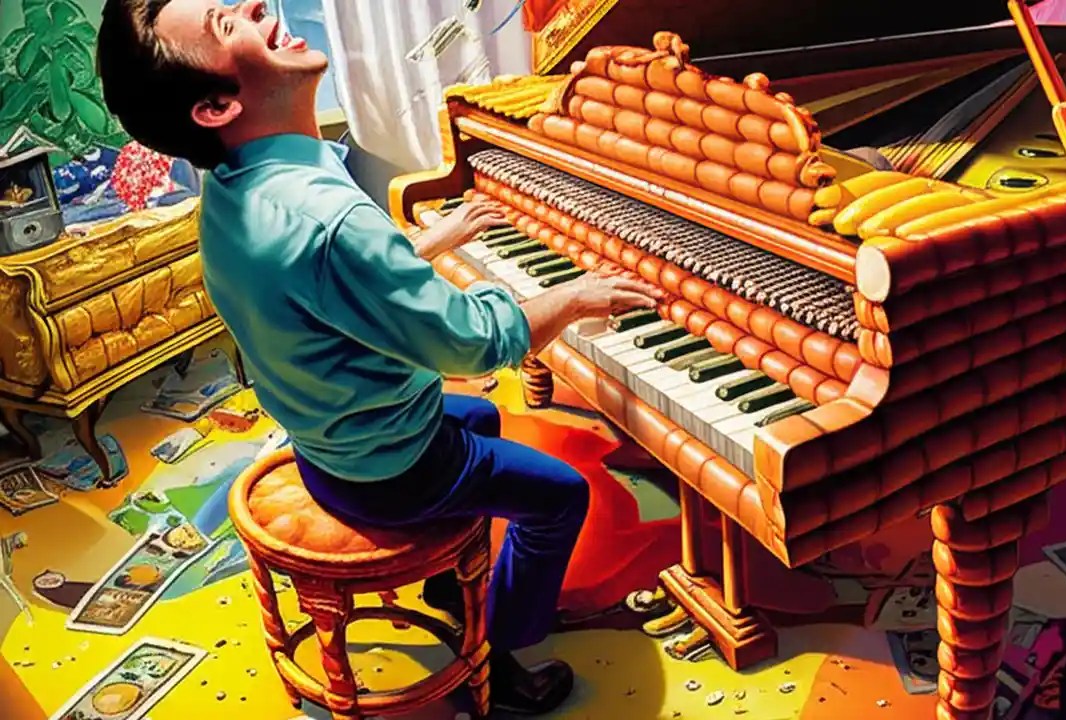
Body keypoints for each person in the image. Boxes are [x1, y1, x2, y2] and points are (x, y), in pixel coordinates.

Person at [96, 0, 664, 714]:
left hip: (324, 441)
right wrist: (575, 295)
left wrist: (428, 243)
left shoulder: (236, 188)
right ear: (215, 104)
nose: (251, 5)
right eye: (224, 24)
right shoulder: (328, 218)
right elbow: (471, 341)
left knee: (484, 416)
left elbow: (320, 282)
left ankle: (444, 583)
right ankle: (508, 645)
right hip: (388, 466)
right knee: (560, 494)